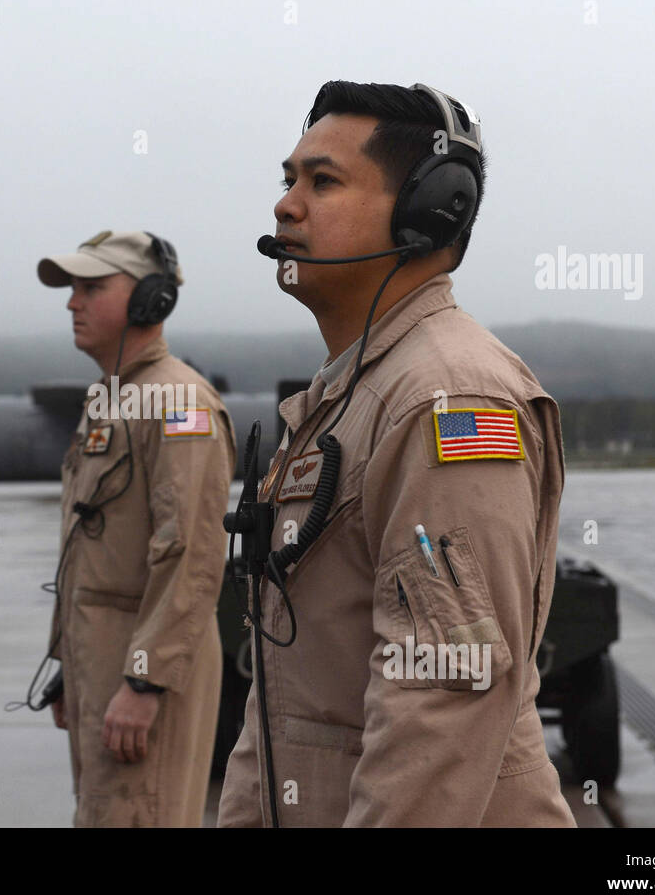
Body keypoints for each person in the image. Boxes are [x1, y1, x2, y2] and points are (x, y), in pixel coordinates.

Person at [217, 83, 576, 827]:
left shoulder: (448, 396)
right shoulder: (349, 395)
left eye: (323, 181)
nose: (286, 205)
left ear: (429, 210)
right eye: (288, 180)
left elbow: (442, 697)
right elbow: (286, 697)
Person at [36, 230, 236, 827]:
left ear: (151, 300)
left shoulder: (179, 403)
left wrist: (145, 682)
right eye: (72, 288)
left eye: (92, 287)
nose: (73, 302)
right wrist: (68, 666)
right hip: (106, 667)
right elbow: (88, 549)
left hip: (145, 670)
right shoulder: (113, 399)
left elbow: (193, 553)